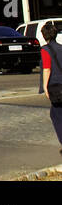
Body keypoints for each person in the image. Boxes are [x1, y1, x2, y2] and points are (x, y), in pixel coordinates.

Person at [40, 22, 62, 153]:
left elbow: (47, 69)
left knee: (56, 114)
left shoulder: (45, 50)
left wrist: (45, 87)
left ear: (43, 35)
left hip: (56, 86)